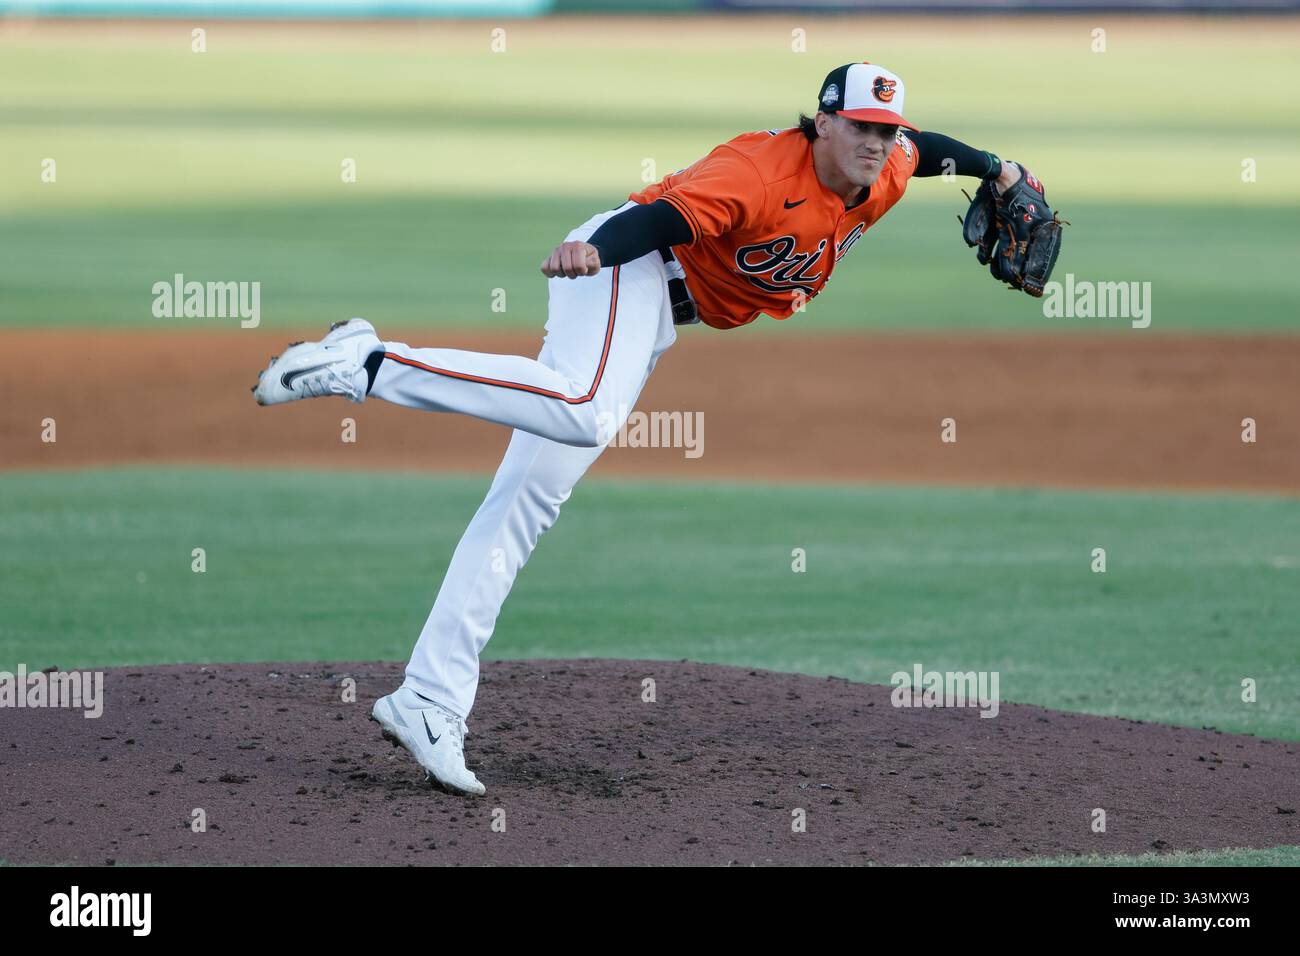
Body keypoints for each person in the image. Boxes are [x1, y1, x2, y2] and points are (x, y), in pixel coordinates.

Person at [252, 62, 1058, 795]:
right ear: (822, 123)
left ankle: (430, 698)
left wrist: (1003, 170)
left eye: (887, 131)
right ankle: (369, 363)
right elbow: (662, 218)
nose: (878, 144)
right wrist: (594, 253)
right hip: (629, 271)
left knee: (525, 503)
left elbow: (934, 148)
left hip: (658, 317)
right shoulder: (753, 172)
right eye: (860, 128)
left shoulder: (888, 168)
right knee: (584, 407)